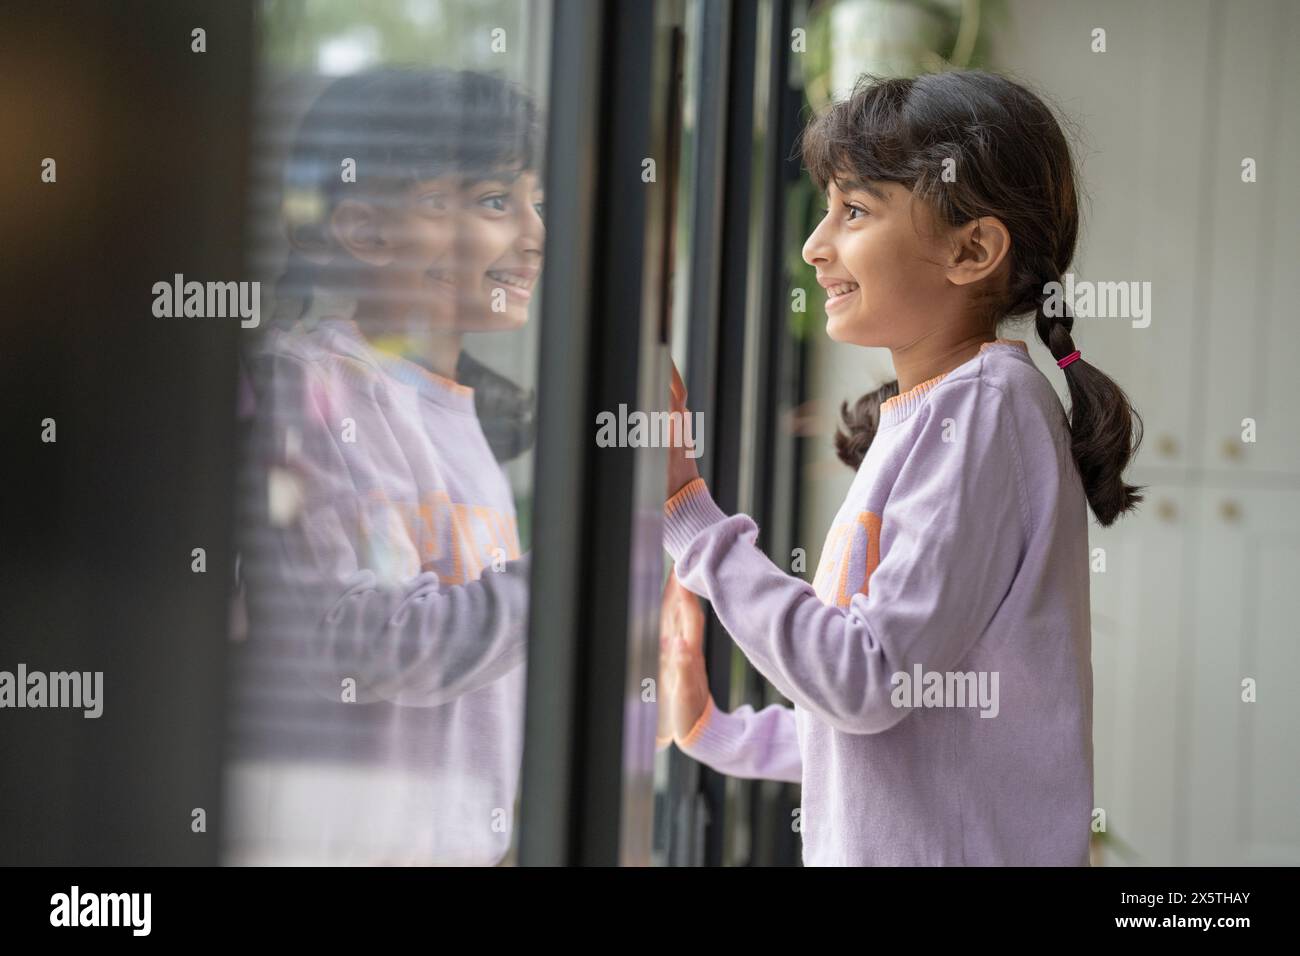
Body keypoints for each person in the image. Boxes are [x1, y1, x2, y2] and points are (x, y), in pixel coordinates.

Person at [657, 70, 1143, 866]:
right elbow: (908, 724)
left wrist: (689, 510)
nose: (815, 246)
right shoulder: (947, 412)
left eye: (854, 210)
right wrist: (718, 732)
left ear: (972, 249)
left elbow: (868, 679)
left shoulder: (982, 413)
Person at [227, 67, 544, 866]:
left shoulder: (459, 413)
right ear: (364, 229)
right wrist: (573, 577)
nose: (536, 231)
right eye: (496, 201)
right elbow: (368, 639)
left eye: (539, 201)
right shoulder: (311, 387)